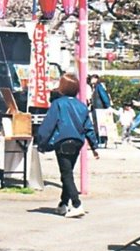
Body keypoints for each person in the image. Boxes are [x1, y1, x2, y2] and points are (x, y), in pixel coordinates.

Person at [35, 73, 100, 217]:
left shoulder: (58, 104)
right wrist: (94, 146)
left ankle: (76, 204)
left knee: (66, 174)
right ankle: (63, 204)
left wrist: (41, 142)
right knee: (68, 172)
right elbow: (89, 128)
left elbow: (48, 125)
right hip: (77, 142)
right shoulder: (82, 106)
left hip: (62, 141)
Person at [88, 73, 113, 148]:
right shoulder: (95, 87)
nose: (91, 80)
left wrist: (108, 106)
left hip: (100, 108)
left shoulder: (99, 86)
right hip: (96, 108)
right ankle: (100, 140)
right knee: (98, 125)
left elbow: (104, 96)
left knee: (101, 125)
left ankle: (102, 141)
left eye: (92, 78)